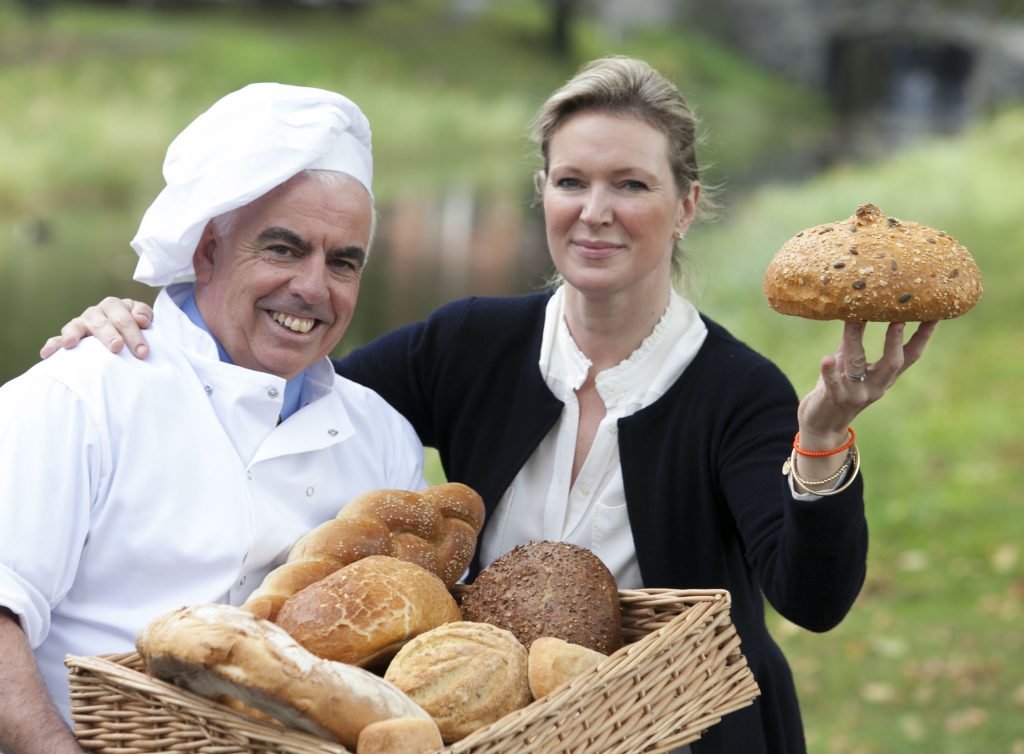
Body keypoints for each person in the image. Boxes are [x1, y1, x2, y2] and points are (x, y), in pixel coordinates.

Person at [41, 57, 936, 754]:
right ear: (541, 193)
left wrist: (820, 439)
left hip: (682, 732)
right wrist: (158, 323)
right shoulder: (471, 344)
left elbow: (811, 599)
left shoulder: (736, 391)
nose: (596, 212)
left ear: (686, 205)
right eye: (571, 181)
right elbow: (292, 365)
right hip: (498, 725)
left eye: (631, 184)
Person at [0, 83, 428, 754]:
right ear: (206, 251)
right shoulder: (82, 396)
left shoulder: (383, 439)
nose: (314, 288)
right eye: (284, 250)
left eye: (343, 261)